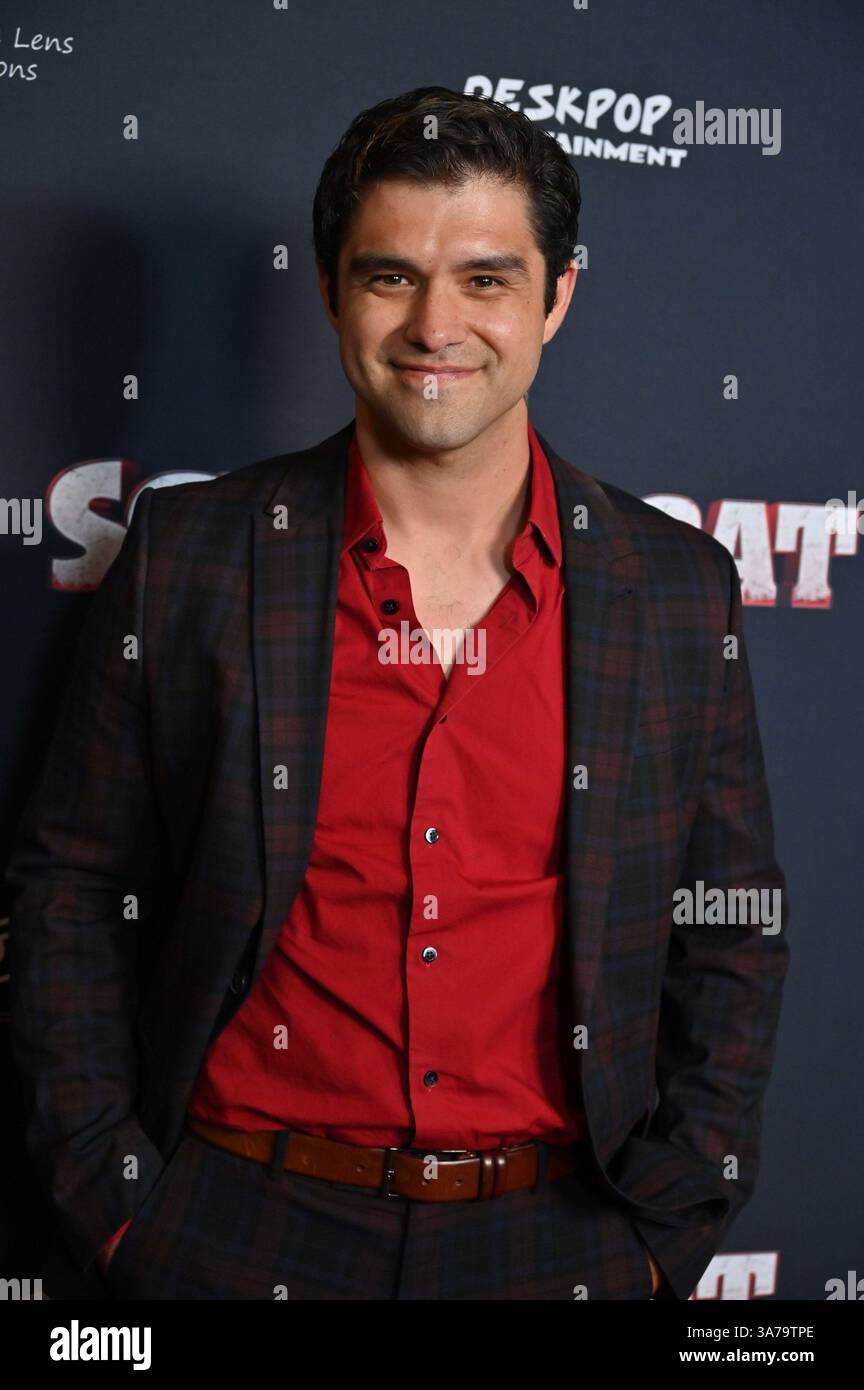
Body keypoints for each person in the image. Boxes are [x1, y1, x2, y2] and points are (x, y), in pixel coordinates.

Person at [6, 85, 790, 1301]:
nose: (437, 324)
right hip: (225, 1225)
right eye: (389, 276)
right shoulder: (188, 554)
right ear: (329, 290)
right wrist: (115, 1214)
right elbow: (69, 887)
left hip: (563, 1239)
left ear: (557, 296)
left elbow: (731, 921)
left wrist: (665, 1232)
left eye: (486, 278)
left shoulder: (677, 588)